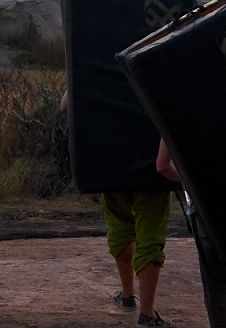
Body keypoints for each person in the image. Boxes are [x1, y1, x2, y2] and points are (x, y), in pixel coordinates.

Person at [61, 90, 173, 327]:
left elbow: (64, 105)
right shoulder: (151, 59)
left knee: (120, 229)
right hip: (151, 167)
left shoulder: (93, 61)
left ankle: (127, 295)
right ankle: (147, 313)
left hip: (112, 165)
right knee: (150, 237)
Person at [157, 140, 226, 328]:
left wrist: (190, 180)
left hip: (204, 208)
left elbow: (162, 167)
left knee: (215, 285)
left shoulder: (177, 113)